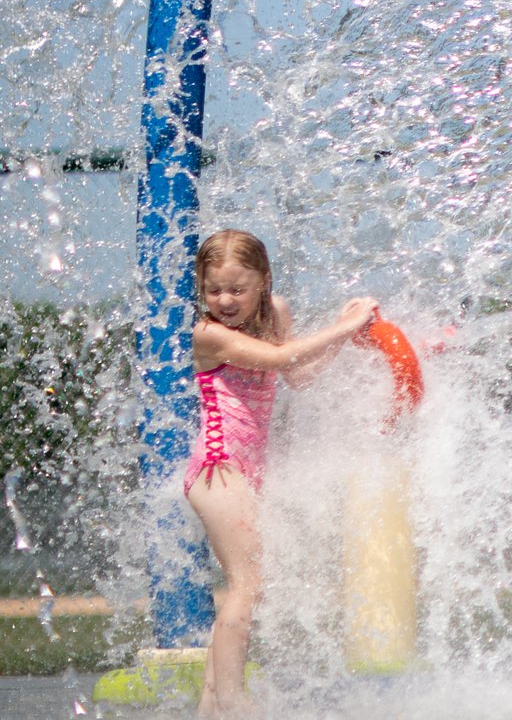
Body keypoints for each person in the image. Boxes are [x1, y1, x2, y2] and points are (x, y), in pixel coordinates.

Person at [184, 229, 378, 716]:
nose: (225, 300)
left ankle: (211, 704)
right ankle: (233, 697)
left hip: (248, 472)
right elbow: (278, 358)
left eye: (237, 288)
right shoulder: (208, 334)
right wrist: (346, 326)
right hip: (217, 469)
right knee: (248, 583)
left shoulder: (277, 316)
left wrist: (340, 333)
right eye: (213, 290)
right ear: (201, 290)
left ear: (263, 282)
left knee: (250, 583)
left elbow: (298, 374)